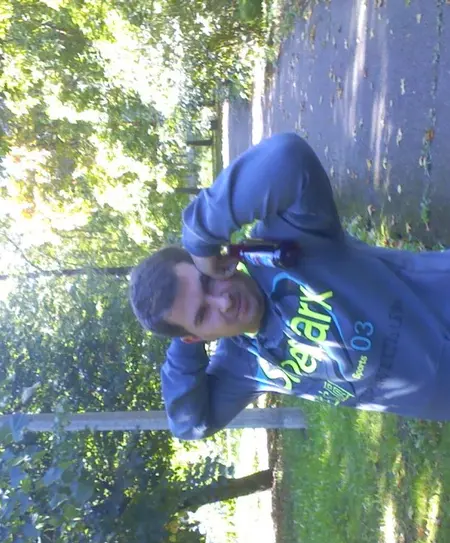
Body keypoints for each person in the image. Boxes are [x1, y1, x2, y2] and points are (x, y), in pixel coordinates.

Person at [129, 133, 450, 440]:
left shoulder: (285, 243)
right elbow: (190, 424)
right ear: (195, 337)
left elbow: (288, 158)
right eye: (202, 314)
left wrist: (199, 236)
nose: (223, 303)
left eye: (207, 282)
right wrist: (186, 344)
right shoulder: (245, 365)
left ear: (213, 261)